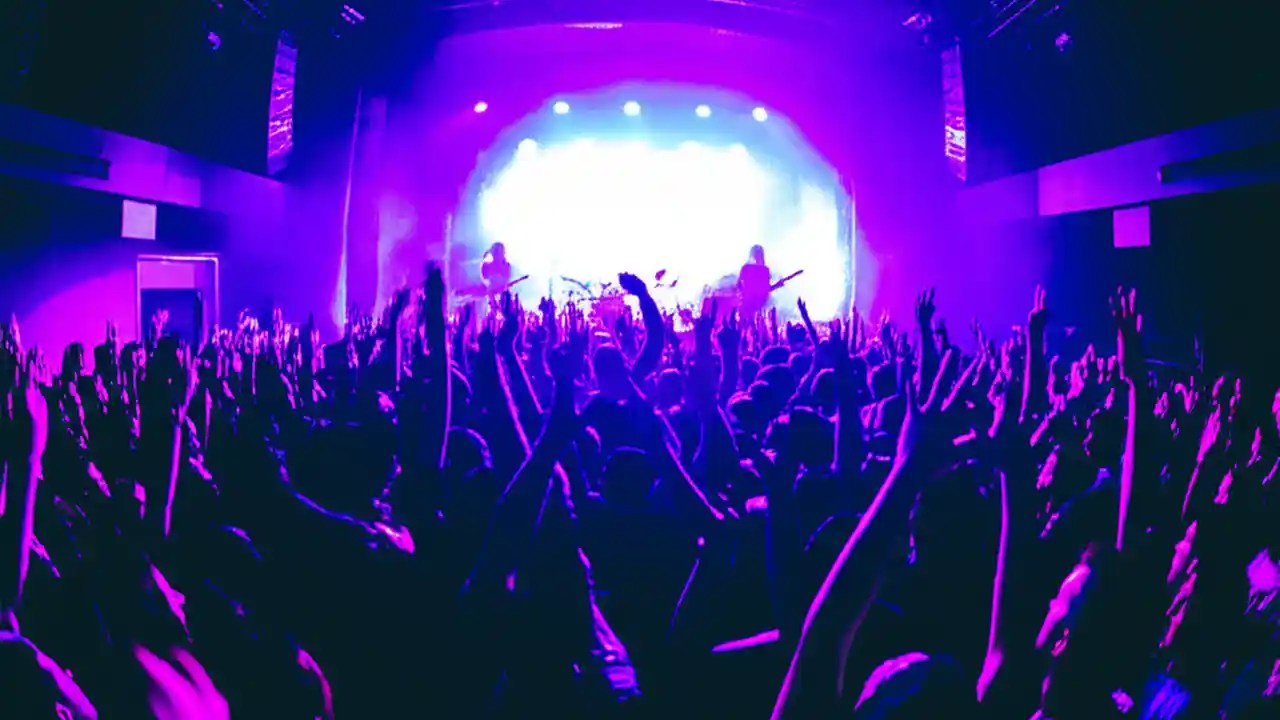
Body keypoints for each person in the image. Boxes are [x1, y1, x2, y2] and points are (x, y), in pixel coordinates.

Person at [738, 244, 772, 318]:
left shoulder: (764, 270)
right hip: (750, 304)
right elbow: (739, 285)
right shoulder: (747, 268)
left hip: (756, 305)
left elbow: (766, 289)